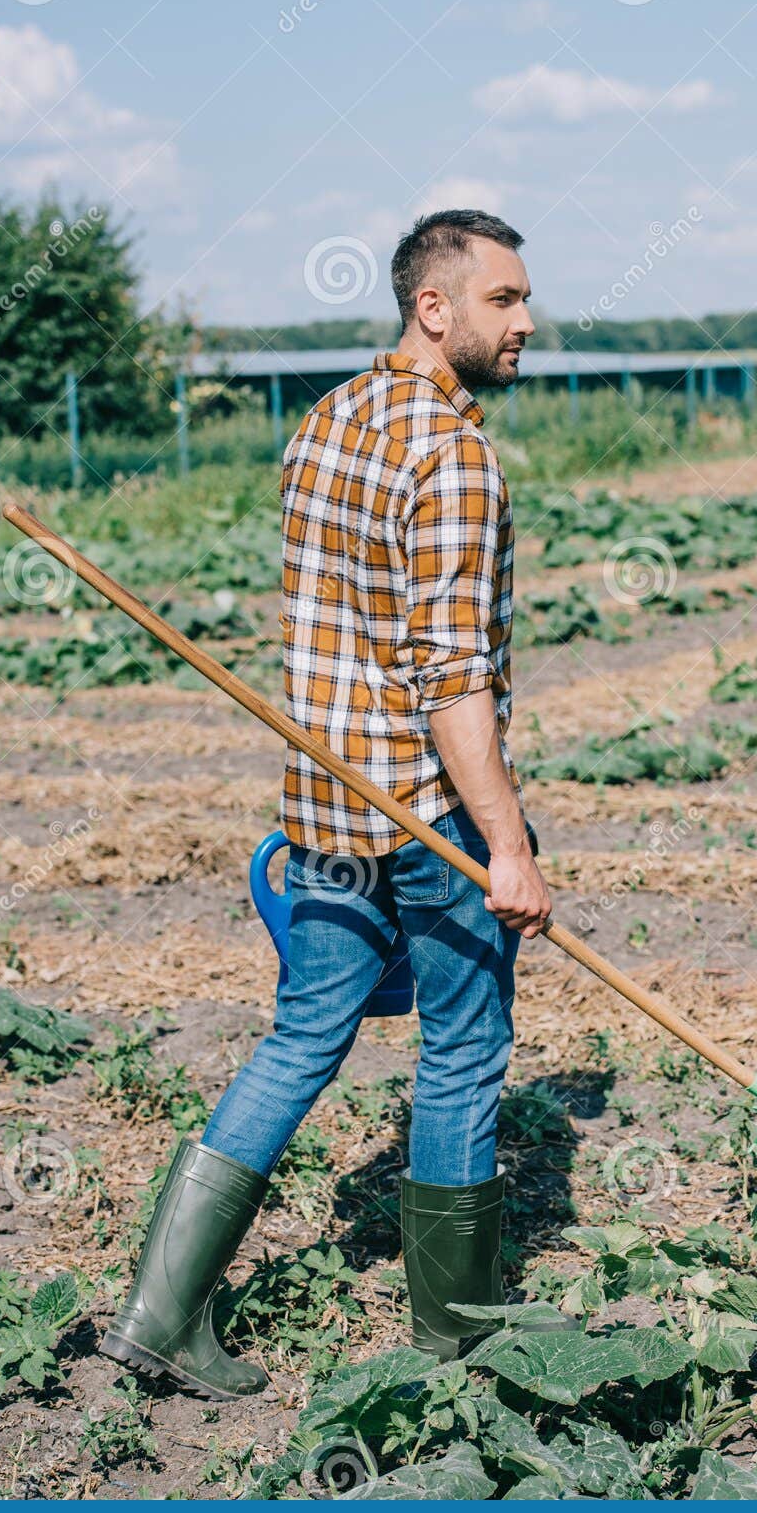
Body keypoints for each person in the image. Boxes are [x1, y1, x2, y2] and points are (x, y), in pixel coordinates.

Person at [102, 209, 553, 1401]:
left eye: (524, 298)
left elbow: (335, 636)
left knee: (303, 1037)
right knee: (462, 1047)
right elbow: (449, 675)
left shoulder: (325, 422)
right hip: (426, 819)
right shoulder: (453, 457)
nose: (527, 321)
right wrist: (503, 842)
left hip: (323, 812)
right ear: (434, 308)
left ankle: (157, 1315)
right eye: (503, 300)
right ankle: (456, 1345)